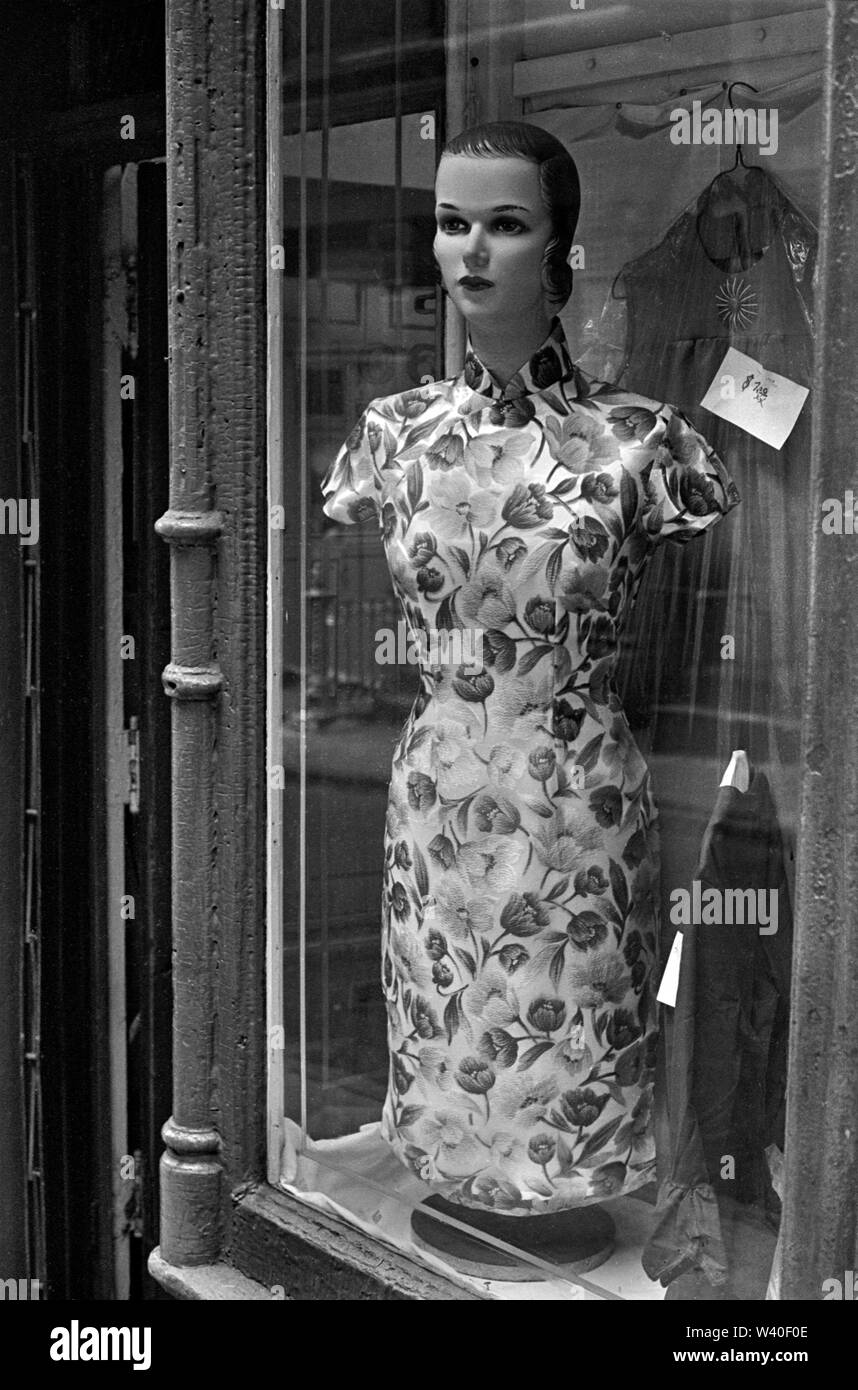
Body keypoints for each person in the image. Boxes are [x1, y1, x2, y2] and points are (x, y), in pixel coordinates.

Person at [321, 122, 740, 1219]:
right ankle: (455, 1175)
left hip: (579, 795)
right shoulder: (394, 435)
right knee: (447, 1018)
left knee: (578, 1030)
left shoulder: (642, 443)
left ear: (561, 251)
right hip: (437, 797)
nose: (472, 250)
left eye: (505, 225)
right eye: (452, 223)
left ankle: (573, 1187)